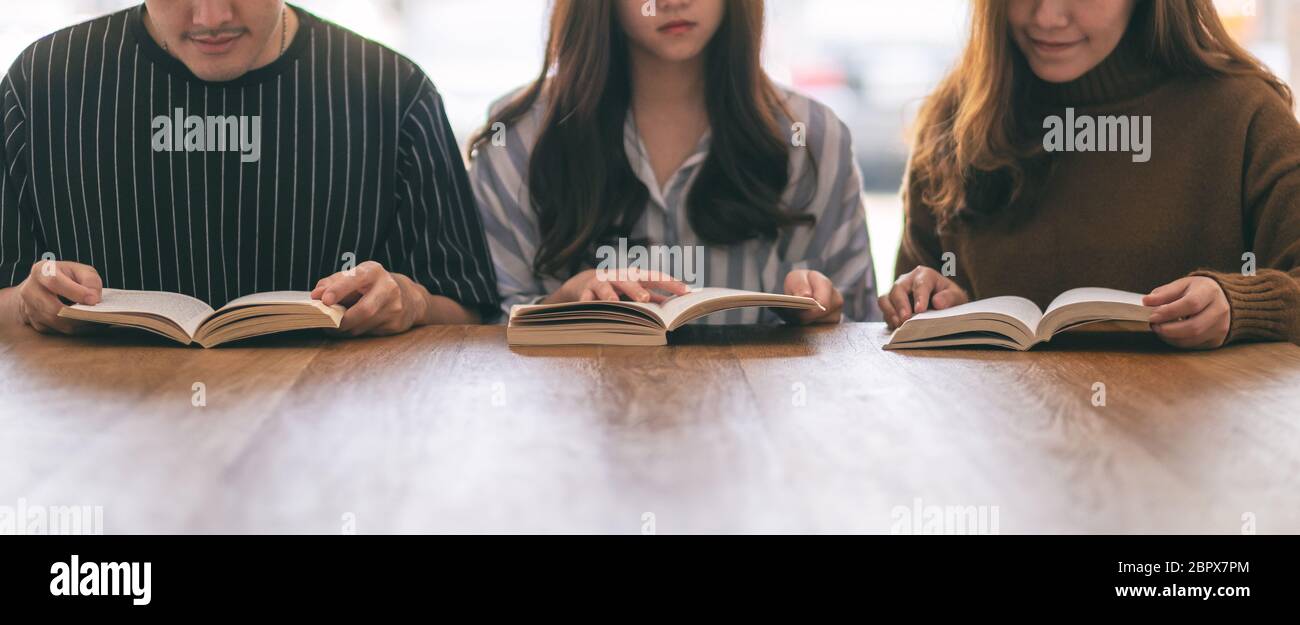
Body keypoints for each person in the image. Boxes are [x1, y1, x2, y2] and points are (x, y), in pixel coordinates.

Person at [0, 0, 499, 338]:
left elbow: (471, 311)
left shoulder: (393, 92)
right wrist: (27, 302)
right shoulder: (42, 84)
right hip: (98, 437)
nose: (211, 16)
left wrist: (410, 302)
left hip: (332, 438)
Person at [883, 0, 1300, 349]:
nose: (1046, 16)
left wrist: (1241, 305)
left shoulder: (1244, 114)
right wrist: (933, 303)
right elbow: (911, 313)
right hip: (1002, 440)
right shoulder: (956, 117)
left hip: (1188, 439)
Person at [469, 0, 878, 324]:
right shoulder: (521, 137)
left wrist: (820, 309)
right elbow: (481, 322)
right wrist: (562, 303)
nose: (673, 2)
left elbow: (859, 325)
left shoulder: (810, 137)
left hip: (755, 420)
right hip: (576, 419)